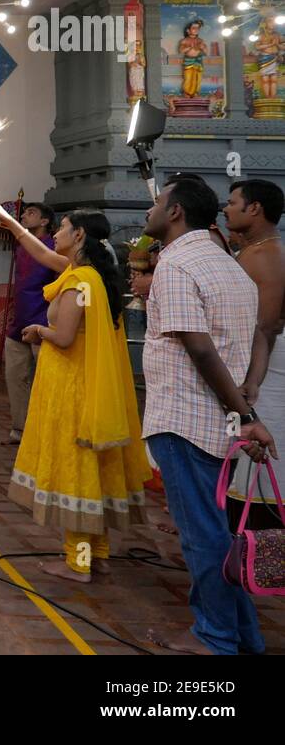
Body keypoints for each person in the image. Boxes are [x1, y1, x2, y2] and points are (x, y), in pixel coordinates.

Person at [141, 175, 274, 655]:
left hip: (185, 421)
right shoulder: (228, 264)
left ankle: (214, 637)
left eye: (157, 203)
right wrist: (247, 400)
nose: (149, 211)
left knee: (203, 538)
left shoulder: (178, 265)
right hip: (215, 422)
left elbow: (200, 349)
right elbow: (260, 332)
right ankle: (244, 636)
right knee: (214, 530)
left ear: (175, 212)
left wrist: (246, 415)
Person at [2, 206, 151, 582]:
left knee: (76, 474)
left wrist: (39, 330)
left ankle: (77, 561)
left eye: (63, 228)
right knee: (91, 474)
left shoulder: (77, 283)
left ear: (79, 235)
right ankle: (95, 554)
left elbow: (65, 337)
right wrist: (13, 226)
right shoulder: (88, 275)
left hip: (72, 390)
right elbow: (43, 253)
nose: (57, 234)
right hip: (84, 386)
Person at [223, 179, 285, 529]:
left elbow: (267, 326)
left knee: (264, 451)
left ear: (255, 208)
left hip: (268, 368)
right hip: (254, 362)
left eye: (232, 202)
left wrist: (253, 381)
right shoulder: (254, 249)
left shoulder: (267, 255)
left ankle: (259, 541)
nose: (226, 208)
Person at [3, 202, 57, 445]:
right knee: (15, 377)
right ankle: (20, 429)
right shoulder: (22, 246)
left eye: (31, 212)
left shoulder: (53, 247)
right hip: (19, 321)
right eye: (24, 212)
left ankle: (46, 433)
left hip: (42, 321)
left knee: (46, 380)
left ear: (45, 221)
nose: (24, 215)